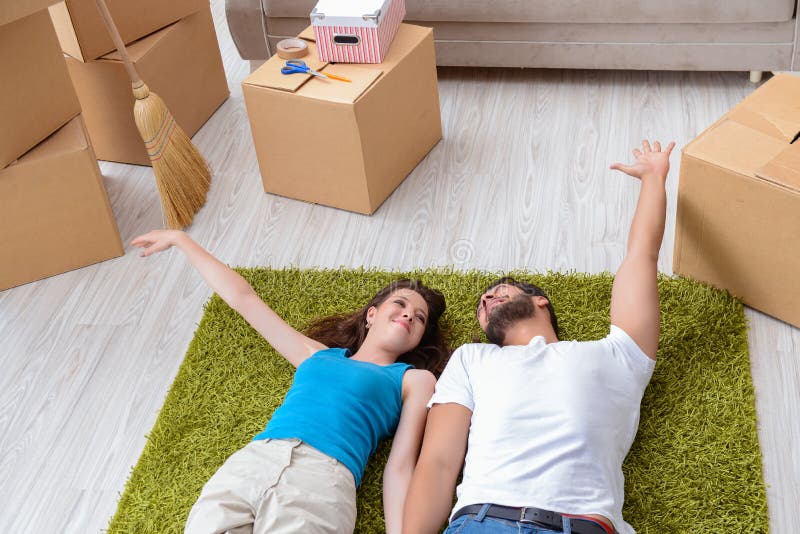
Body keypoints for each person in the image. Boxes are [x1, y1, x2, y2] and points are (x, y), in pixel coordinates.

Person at [402, 140, 676, 534]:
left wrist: (654, 178)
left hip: (582, 525)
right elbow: (438, 464)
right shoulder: (471, 359)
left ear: (541, 301)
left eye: (502, 289)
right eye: (483, 302)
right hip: (483, 522)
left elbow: (641, 255)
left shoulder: (617, 355)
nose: (487, 297)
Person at [130, 229, 449, 534]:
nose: (409, 315)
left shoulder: (414, 380)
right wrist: (181, 240)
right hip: (254, 463)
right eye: (401, 304)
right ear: (371, 315)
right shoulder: (317, 355)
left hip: (323, 480)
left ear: (418, 339)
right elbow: (244, 299)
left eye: (419, 318)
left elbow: (400, 467)